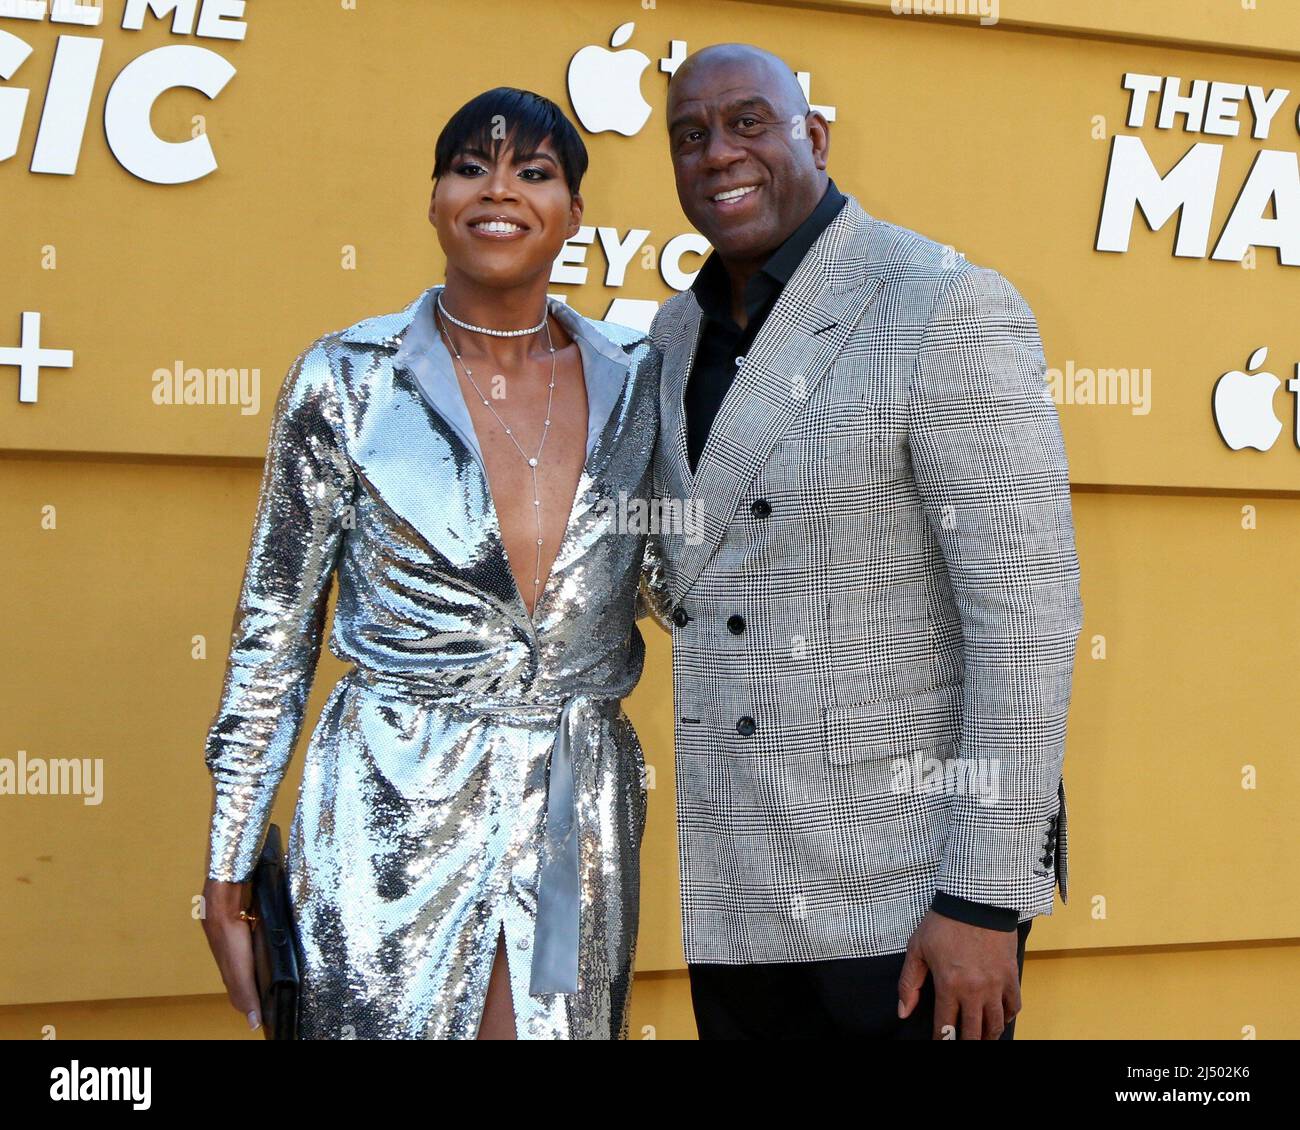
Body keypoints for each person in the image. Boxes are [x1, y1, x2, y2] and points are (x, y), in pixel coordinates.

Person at [643, 43, 1084, 1039]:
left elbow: (1025, 616)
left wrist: (982, 898)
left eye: (747, 121)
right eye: (689, 135)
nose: (717, 153)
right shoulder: (673, 334)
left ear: (815, 135)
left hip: (905, 899)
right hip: (737, 892)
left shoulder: (940, 300)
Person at [200, 87, 660, 1040]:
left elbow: (684, 581)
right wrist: (226, 865)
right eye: (469, 167)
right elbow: (272, 638)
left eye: (533, 173)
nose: (499, 192)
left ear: (575, 213)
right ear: (435, 199)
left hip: (574, 802)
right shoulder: (348, 380)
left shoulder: (639, 380)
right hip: (390, 808)